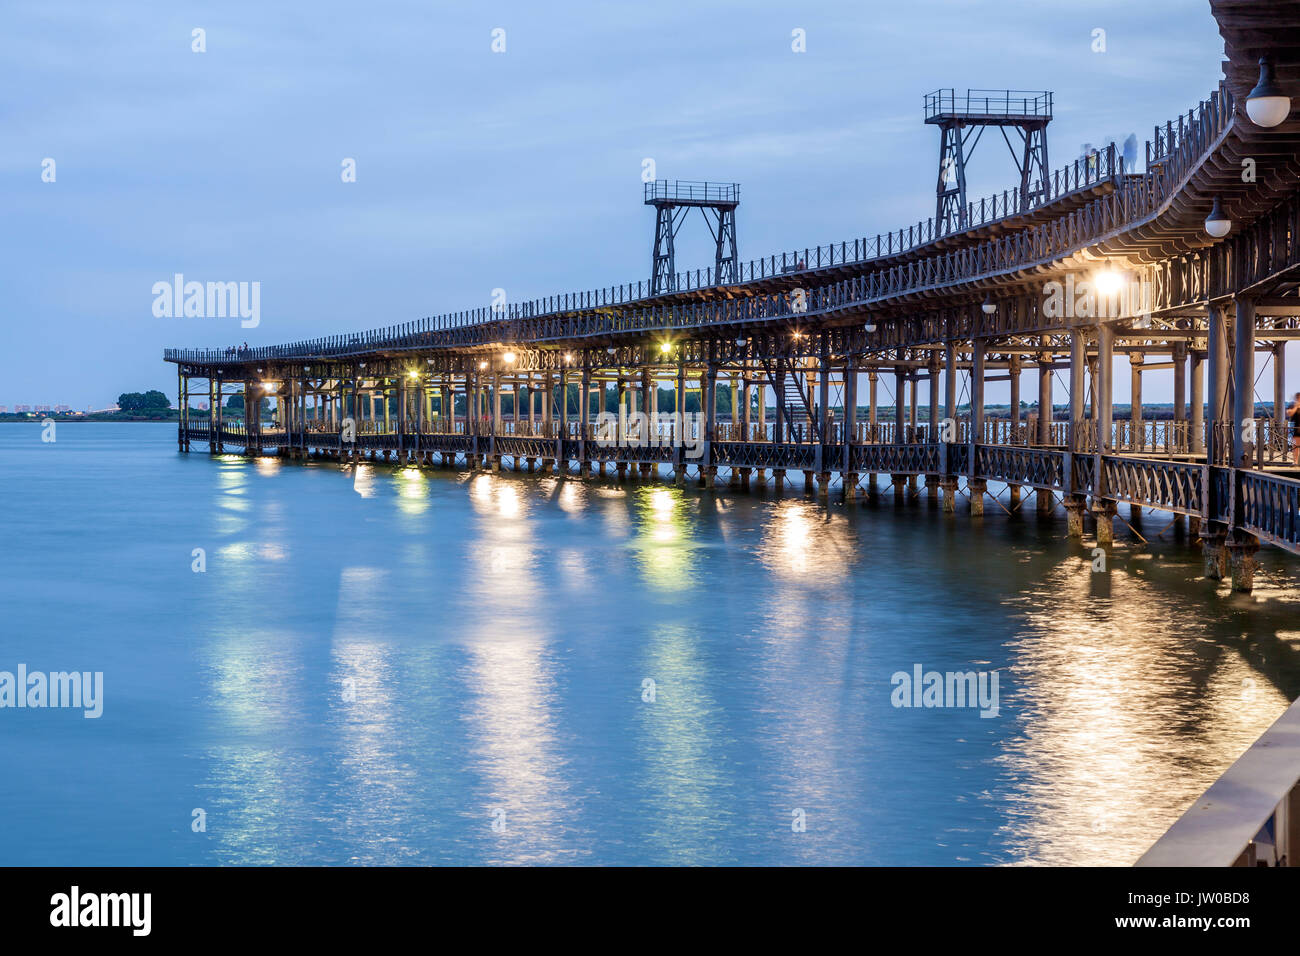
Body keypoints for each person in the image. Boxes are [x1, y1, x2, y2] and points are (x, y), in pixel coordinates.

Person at [1288, 392, 1300, 465]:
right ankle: (1295, 461)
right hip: (1296, 428)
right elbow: (1289, 413)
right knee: (1295, 446)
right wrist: (1296, 407)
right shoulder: (1293, 405)